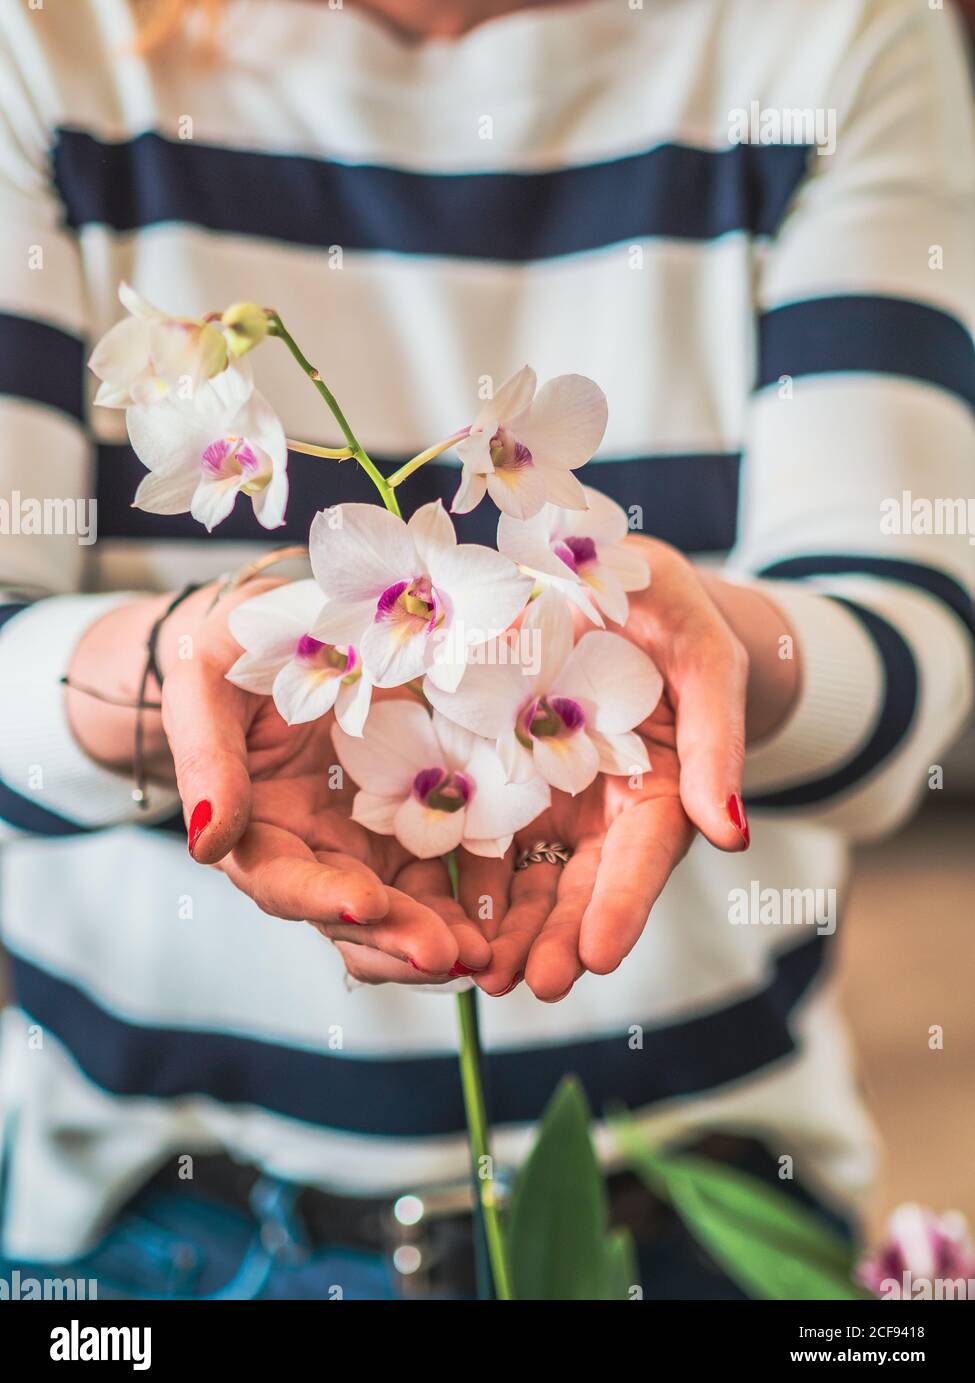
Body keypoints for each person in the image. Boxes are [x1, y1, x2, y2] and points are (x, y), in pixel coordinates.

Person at [0, 0, 972, 1300]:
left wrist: (704, 653)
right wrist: (182, 671)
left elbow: (906, 652)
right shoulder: (47, 37)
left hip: (684, 1209)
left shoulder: (837, 31)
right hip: (149, 1231)